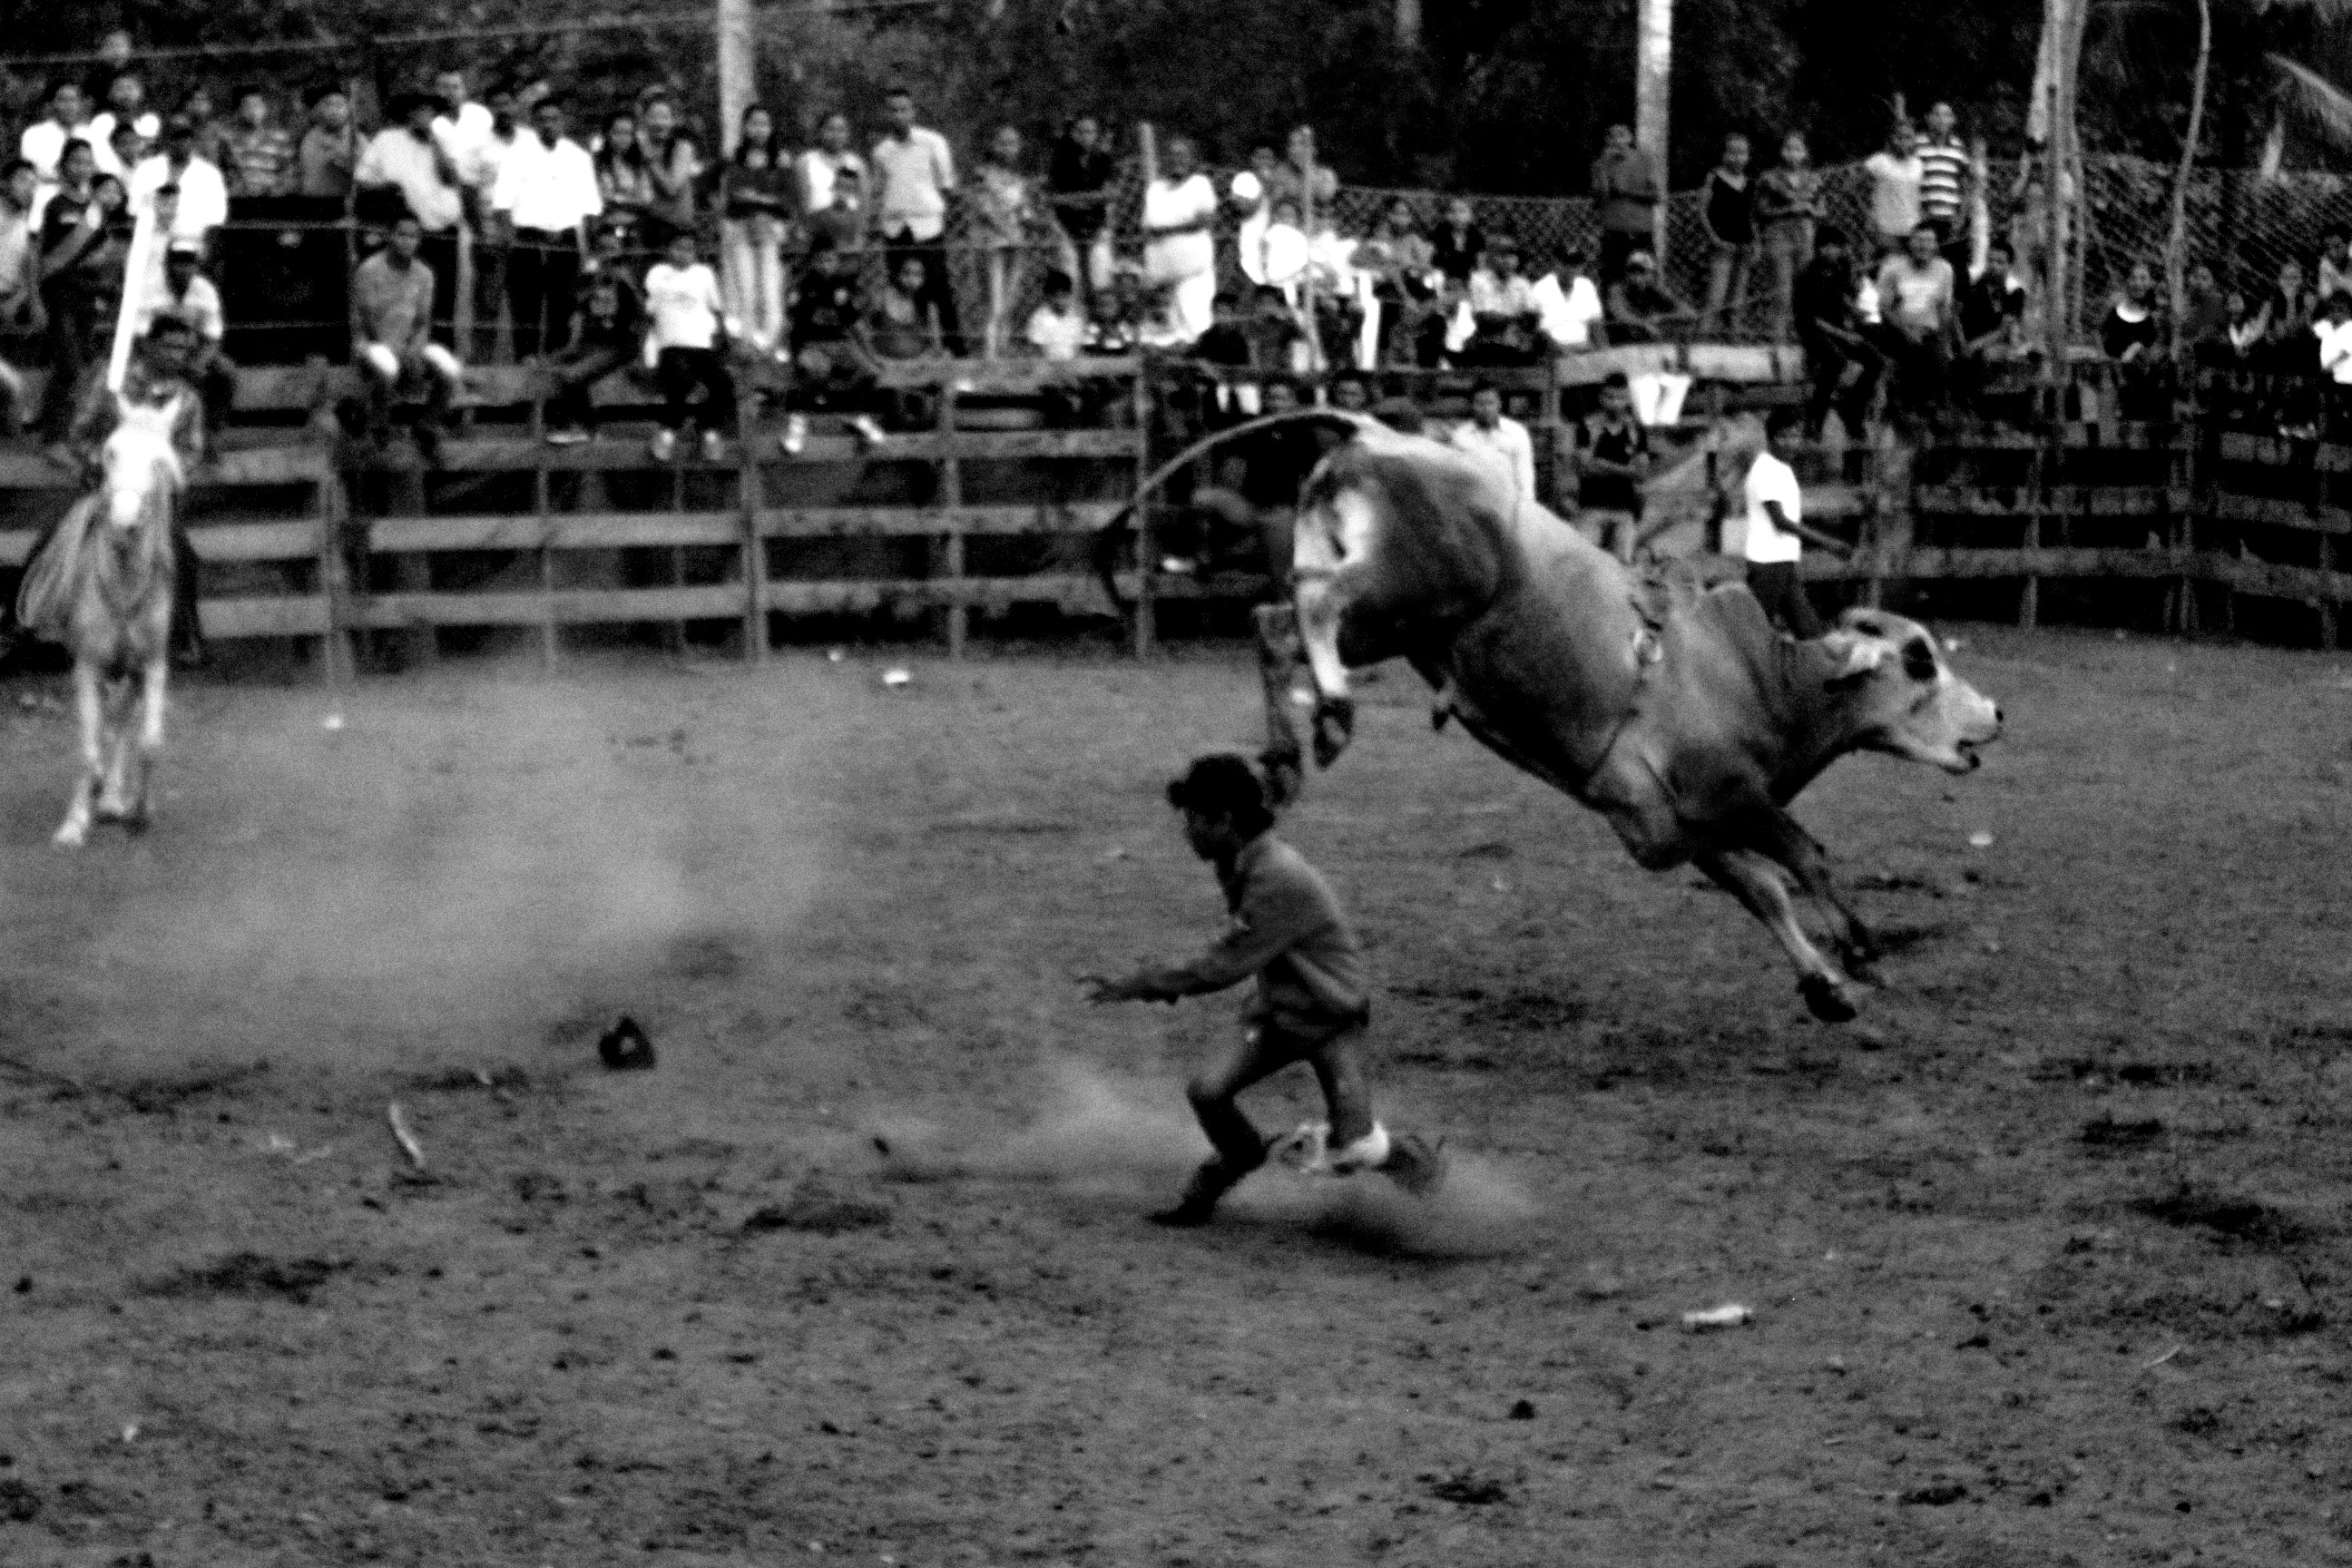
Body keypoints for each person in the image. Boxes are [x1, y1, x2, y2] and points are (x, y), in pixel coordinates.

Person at [1083, 753, 1434, 1227]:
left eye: (1193, 820)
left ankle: (1430, 1181)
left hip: (1332, 1019)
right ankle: (1239, 1158)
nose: (1187, 832)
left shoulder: (1275, 876)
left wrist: (1140, 984)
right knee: (1208, 1093)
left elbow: (1220, 968)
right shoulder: (1239, 860)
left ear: (1224, 820)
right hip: (1279, 1012)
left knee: (1356, 1145)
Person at [350, 213, 463, 461]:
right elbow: (368, 322)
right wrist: (396, 350)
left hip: (408, 344)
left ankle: (427, 426)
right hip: (372, 345)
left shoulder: (424, 274)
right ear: (390, 236)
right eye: (401, 234)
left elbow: (423, 320)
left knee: (451, 368)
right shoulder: (369, 270)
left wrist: (414, 348)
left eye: (413, 236)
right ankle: (378, 426)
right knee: (388, 366)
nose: (407, 241)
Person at [356, 92, 466, 342]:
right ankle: (397, 352)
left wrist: (434, 143)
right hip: (404, 233)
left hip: (441, 228)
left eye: (429, 112)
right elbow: (363, 181)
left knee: (443, 296)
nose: (424, 117)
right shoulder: (387, 140)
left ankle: (440, 355)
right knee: (403, 297)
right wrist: (389, 191)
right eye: (418, 111)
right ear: (408, 114)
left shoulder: (445, 139)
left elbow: (452, 178)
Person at [1737, 409, 1848, 637]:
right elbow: (1780, 521)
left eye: (1796, 436)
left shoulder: (1782, 468)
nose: (1791, 443)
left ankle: (1820, 669)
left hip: (1783, 561)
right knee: (1753, 634)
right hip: (1768, 563)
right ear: (1770, 438)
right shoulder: (1765, 470)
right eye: (1784, 436)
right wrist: (1828, 543)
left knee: (1808, 630)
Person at [870, 85, 959, 353]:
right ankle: (912, 347)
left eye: (904, 109)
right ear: (886, 115)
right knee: (904, 291)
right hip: (896, 228)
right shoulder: (881, 152)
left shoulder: (933, 142)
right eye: (893, 110)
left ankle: (955, 348)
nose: (899, 115)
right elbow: (879, 189)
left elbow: (947, 183)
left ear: (913, 112)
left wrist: (948, 218)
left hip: (927, 225)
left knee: (938, 288)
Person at [34, 141, 106, 445]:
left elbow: (102, 249)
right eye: (75, 161)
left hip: (86, 296)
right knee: (69, 367)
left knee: (79, 368)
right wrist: (36, 297)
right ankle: (53, 439)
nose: (82, 167)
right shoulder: (52, 203)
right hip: (58, 296)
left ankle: (57, 430)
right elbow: (39, 254)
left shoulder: (95, 208)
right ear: (63, 165)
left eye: (87, 162)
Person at [642, 229, 733, 463]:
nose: (683, 254)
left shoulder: (704, 274)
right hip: (670, 345)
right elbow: (649, 312)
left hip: (701, 345)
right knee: (681, 378)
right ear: (668, 250)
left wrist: (720, 336)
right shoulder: (657, 274)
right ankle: (668, 431)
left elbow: (716, 307)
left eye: (689, 249)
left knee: (722, 381)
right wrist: (650, 349)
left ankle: (708, 429)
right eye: (678, 248)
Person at [134, 239, 237, 436]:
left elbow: (213, 336)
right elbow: (140, 337)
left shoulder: (205, 290)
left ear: (197, 265)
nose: (183, 268)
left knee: (226, 372)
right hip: (155, 352)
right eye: (178, 261)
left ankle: (211, 435)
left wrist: (199, 362)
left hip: (191, 353)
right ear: (167, 264)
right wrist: (163, 360)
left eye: (189, 262)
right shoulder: (149, 288)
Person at [1792, 226, 1881, 440]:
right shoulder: (1807, 273)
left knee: (1875, 361)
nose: (1836, 252)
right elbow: (1811, 318)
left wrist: (1853, 312)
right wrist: (1844, 336)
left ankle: (1853, 411)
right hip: (1814, 330)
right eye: (1832, 247)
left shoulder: (1839, 268)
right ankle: (1815, 419)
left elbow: (1839, 297)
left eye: (1839, 247)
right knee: (1835, 361)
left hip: (1836, 328)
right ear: (1821, 248)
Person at [720, 103, 793, 358]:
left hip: (769, 232)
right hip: (740, 231)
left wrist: (760, 200)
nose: (759, 129)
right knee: (745, 289)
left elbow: (787, 199)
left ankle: (772, 345)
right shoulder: (733, 159)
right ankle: (747, 344)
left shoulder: (781, 160)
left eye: (764, 124)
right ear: (744, 127)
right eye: (754, 123)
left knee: (771, 290)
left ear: (771, 128)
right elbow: (732, 197)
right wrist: (763, 200)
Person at [544, 264, 643, 445]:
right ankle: (580, 425)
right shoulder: (584, 303)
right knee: (561, 373)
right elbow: (575, 342)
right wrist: (551, 359)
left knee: (572, 376)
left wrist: (628, 285)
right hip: (595, 345)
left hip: (619, 346)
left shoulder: (624, 289)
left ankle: (584, 428)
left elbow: (640, 316)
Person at [1873, 220, 1955, 420]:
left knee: (1940, 358)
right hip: (1899, 331)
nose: (1923, 246)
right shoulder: (1893, 269)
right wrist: (1906, 331)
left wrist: (1946, 342)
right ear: (1909, 244)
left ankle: (1933, 409)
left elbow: (1943, 308)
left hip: (1929, 331)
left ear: (1936, 245)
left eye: (1929, 241)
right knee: (1912, 352)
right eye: (1918, 240)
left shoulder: (1944, 270)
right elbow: (1884, 310)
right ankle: (1906, 406)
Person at [1142, 134, 1219, 344]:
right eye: (1173, 155)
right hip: (1163, 278)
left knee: (1196, 324)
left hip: (1194, 273)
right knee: (1170, 333)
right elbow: (1148, 227)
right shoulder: (1155, 189)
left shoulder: (1200, 184)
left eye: (1182, 155)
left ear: (1191, 159)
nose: (1177, 159)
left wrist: (1165, 230)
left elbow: (1203, 222)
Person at [971, 124, 1037, 359]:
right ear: (993, 145)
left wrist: (1028, 223)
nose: (1009, 149)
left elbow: (1023, 211)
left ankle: (1003, 348)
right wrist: (1009, 232)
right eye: (1003, 143)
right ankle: (990, 356)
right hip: (993, 243)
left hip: (1016, 243)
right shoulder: (983, 174)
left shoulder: (1018, 179)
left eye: (1013, 143)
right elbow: (984, 209)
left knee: (1010, 301)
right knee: (995, 303)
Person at [1754, 130, 1825, 343]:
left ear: (1805, 153)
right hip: (1778, 235)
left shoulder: (1814, 178)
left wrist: (1811, 211)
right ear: (1781, 151)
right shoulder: (1769, 178)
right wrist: (1789, 209)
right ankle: (1778, 339)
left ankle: (1803, 337)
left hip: (1805, 236)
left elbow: (1823, 210)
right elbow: (1761, 211)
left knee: (1804, 291)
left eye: (1797, 149)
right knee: (1782, 292)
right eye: (1788, 149)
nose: (1792, 154)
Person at [1573, 371, 1650, 557]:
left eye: (1620, 397)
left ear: (1628, 399)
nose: (1615, 403)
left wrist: (1603, 465)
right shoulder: (1588, 426)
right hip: (1591, 509)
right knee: (1586, 562)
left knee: (1622, 568)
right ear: (1601, 398)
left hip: (1624, 511)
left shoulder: (1636, 430)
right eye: (1610, 397)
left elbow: (1642, 474)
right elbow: (1585, 469)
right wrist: (1627, 470)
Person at [1046, 114, 1115, 313]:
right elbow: (1053, 197)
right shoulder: (1061, 160)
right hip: (1067, 226)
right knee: (1071, 277)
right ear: (1072, 133)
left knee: (1101, 275)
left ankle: (1100, 323)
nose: (1085, 136)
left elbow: (1111, 193)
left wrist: (1080, 199)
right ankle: (1073, 320)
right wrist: (1089, 199)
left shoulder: (1102, 160)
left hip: (1097, 224)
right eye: (1080, 132)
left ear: (1097, 135)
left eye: (1090, 132)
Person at [130, 117, 229, 242]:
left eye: (186, 138)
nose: (182, 143)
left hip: (192, 243)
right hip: (150, 241)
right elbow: (134, 209)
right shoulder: (146, 169)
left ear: (193, 141)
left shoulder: (210, 174)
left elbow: (217, 217)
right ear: (165, 140)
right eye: (176, 138)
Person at [1591, 122, 1661, 282]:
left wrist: (1627, 192)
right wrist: (1602, 171)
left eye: (1621, 135)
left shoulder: (1644, 160)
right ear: (1607, 141)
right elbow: (1597, 200)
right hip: (1613, 231)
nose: (1617, 141)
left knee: (1646, 279)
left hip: (1640, 231)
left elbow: (1656, 196)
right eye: (1612, 136)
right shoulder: (1601, 163)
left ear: (1630, 138)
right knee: (1612, 280)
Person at [1701, 132, 1756, 336]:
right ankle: (1703, 336)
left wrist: (1755, 243)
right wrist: (1713, 238)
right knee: (1716, 295)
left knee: (1738, 297)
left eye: (1742, 153)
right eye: (1732, 152)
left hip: (1744, 244)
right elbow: (1702, 211)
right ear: (1724, 154)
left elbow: (1751, 217)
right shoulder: (1714, 177)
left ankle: (1734, 335)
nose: (1737, 157)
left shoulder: (1750, 183)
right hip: (1722, 244)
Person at [1450, 379, 1536, 502]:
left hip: (1509, 504)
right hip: (1474, 505)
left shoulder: (1517, 433)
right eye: (1480, 404)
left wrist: (1527, 508)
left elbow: (1525, 476)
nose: (1486, 409)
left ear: (1499, 404)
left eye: (1491, 403)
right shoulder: (1461, 436)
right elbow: (1457, 478)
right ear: (1472, 405)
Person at [636, 91, 702, 250]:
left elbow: (672, 188)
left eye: (665, 117)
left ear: (673, 121)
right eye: (653, 117)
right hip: (646, 224)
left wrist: (650, 159)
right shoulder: (637, 148)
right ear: (644, 120)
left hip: (676, 228)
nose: (659, 123)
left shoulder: (682, 148)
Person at [1916, 102, 1969, 270]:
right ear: (1929, 118)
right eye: (1937, 114)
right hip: (1926, 218)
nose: (1941, 119)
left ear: (1953, 120)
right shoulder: (1917, 145)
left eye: (1946, 115)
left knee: (1953, 265)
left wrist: (1961, 216)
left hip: (1950, 218)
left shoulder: (1958, 147)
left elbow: (1965, 184)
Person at [592, 110, 654, 247]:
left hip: (637, 227)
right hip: (605, 228)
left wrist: (620, 200)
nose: (623, 138)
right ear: (607, 134)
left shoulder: (639, 165)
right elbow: (600, 197)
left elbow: (647, 198)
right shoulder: (596, 163)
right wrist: (625, 200)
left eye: (628, 133)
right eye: (617, 132)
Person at [1864, 122, 1924, 260]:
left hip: (1912, 228)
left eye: (1908, 137)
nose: (1903, 142)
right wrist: (1869, 213)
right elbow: (1858, 186)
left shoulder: (1918, 164)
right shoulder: (1879, 161)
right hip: (1886, 228)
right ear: (1892, 138)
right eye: (1900, 137)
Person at [222, 86, 295, 198]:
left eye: (257, 105)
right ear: (238, 110)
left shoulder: (280, 139)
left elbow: (289, 172)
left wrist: (278, 189)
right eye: (247, 106)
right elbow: (226, 173)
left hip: (273, 203)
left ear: (265, 108)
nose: (253, 111)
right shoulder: (229, 140)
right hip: (240, 202)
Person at [797, 110, 869, 223]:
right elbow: (801, 204)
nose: (836, 135)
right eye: (831, 129)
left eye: (841, 130)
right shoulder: (806, 162)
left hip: (848, 231)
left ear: (848, 134)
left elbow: (864, 205)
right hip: (816, 230)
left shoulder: (857, 165)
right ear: (820, 131)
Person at [1604, 250, 1689, 344]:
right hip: (1621, 344)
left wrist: (1662, 318)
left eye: (1642, 271)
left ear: (1651, 274)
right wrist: (1644, 324)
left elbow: (1687, 312)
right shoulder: (1617, 290)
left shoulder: (1655, 290)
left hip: (1651, 343)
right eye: (1632, 271)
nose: (1637, 276)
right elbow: (1621, 315)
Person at [1532, 245, 1605, 353]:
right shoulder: (1540, 288)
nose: (1570, 269)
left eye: (1575, 264)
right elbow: (1537, 330)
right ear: (1555, 263)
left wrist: (1604, 352)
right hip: (1552, 350)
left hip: (1584, 347)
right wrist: (1562, 351)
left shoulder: (1586, 286)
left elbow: (1596, 324)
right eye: (1565, 263)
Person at [21, 80, 92, 189]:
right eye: (63, 100)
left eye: (73, 100)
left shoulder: (89, 133)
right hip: (49, 193)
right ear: (51, 104)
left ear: (81, 104)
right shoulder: (34, 134)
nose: (69, 106)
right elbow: (35, 171)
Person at [296, 84, 359, 201]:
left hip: (341, 209)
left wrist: (349, 163)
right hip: (311, 208)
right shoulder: (309, 138)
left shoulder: (357, 140)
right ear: (319, 108)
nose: (333, 111)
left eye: (339, 105)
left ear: (348, 108)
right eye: (328, 104)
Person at [2099, 261, 2163, 363]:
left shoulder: (2155, 312)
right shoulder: (2115, 304)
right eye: (2133, 278)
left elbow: (2156, 346)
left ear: (2150, 282)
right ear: (2127, 281)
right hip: (2111, 364)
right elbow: (2100, 332)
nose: (2138, 283)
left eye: (2143, 278)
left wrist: (2136, 349)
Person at [1024, 269, 1086, 361]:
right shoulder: (1039, 318)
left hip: (1072, 368)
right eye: (1057, 296)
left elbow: (1079, 348)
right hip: (1047, 368)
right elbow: (1036, 351)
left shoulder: (1076, 317)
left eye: (1064, 296)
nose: (1061, 301)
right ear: (1049, 297)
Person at [1429, 195, 1484, 286]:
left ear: (1471, 215)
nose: (1457, 216)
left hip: (1468, 278)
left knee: (1479, 279)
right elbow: (1430, 259)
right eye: (1453, 211)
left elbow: (1480, 264)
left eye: (1462, 211)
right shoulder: (1439, 232)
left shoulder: (1477, 236)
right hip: (1443, 276)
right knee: (1435, 277)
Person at [2320, 230, 2352, 305]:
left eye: (2337, 246)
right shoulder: (2325, 263)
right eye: (2327, 248)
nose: (2332, 253)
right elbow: (2326, 297)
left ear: (2348, 244)